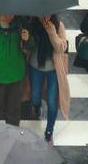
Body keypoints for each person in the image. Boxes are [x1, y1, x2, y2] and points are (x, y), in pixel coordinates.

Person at [24, 15, 70, 143]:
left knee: (51, 101)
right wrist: (27, 39)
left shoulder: (58, 25)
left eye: (48, 14)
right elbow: (26, 47)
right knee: (35, 96)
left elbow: (62, 47)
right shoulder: (32, 24)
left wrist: (52, 33)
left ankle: (49, 129)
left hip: (53, 70)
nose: (45, 16)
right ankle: (37, 106)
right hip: (35, 66)